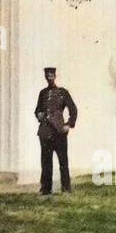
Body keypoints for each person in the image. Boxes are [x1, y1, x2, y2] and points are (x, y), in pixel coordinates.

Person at [35, 66, 78, 196]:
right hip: (45, 132)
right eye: (47, 76)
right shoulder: (42, 93)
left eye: (51, 75)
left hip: (59, 132)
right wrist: (39, 115)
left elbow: (73, 109)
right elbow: (37, 110)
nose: (49, 78)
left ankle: (66, 188)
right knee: (46, 162)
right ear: (45, 77)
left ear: (55, 76)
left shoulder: (63, 92)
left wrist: (68, 124)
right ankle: (46, 189)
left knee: (63, 161)